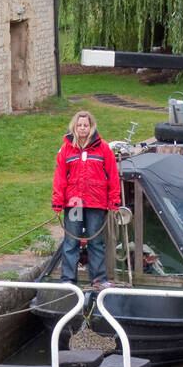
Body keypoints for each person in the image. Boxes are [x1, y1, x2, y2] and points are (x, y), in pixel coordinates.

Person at [52, 110, 120, 289]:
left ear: (91, 127)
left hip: (96, 202)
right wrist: (58, 200)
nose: (82, 128)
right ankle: (68, 279)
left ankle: (98, 279)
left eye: (86, 125)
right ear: (75, 126)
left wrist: (114, 199)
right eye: (80, 125)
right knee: (71, 241)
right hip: (74, 203)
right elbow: (60, 176)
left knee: (95, 241)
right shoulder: (66, 149)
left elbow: (112, 174)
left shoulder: (103, 148)